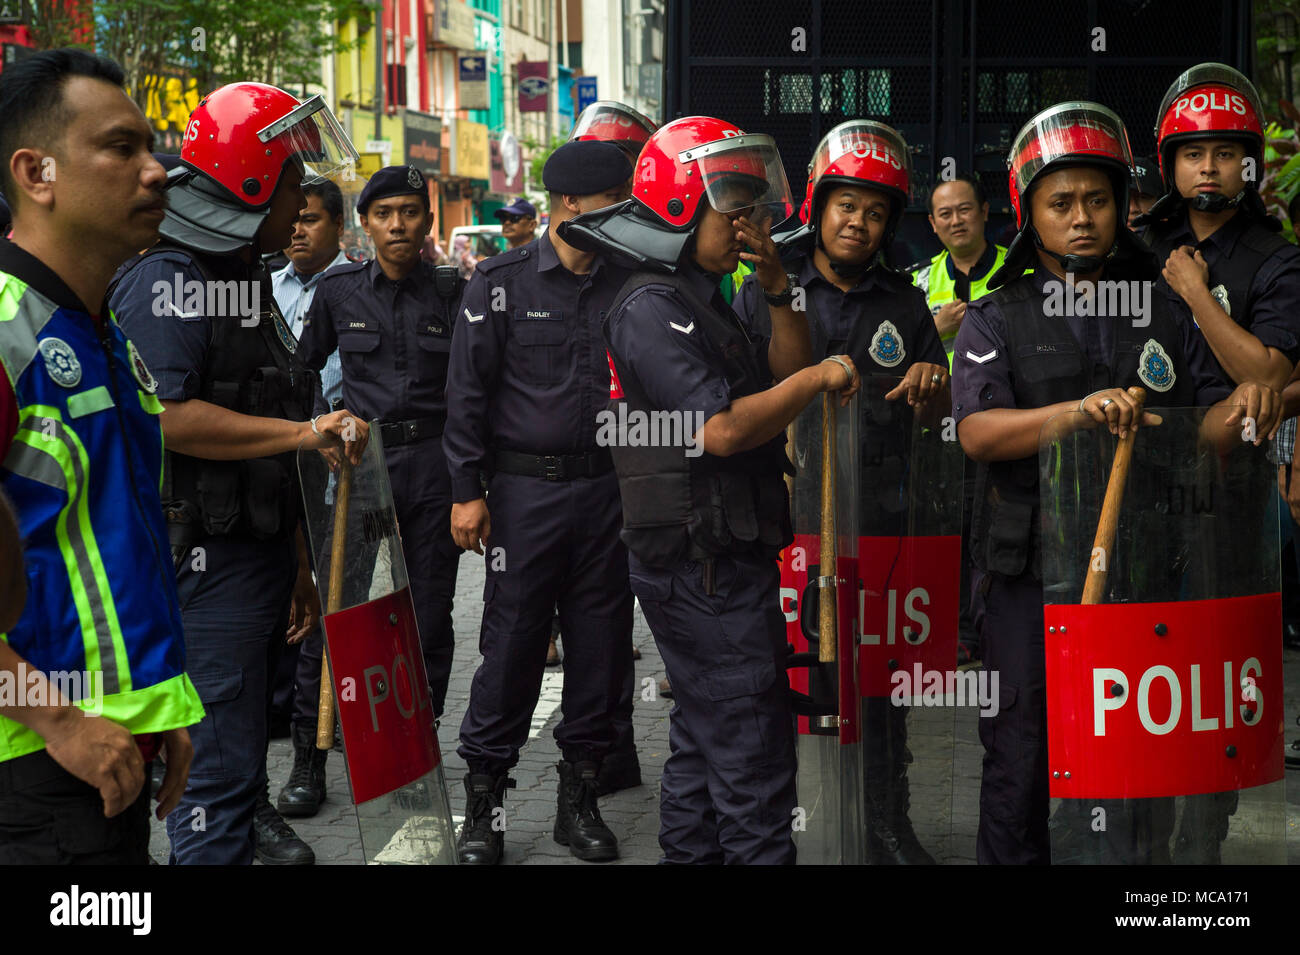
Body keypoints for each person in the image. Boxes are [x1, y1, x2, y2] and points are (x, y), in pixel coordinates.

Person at [952, 100, 1278, 865]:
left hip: (1142, 573)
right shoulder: (995, 317)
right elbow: (976, 432)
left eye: (1097, 199)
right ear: (1028, 211)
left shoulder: (1165, 314)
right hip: (1027, 576)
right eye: (1060, 203)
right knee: (1023, 757)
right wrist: (1074, 412)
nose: (1082, 218)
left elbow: (1203, 425)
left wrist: (1247, 408)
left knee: (1137, 762)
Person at [563, 115, 862, 864]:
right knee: (756, 766)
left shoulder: (704, 292)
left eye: (753, 210)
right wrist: (817, 378)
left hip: (725, 556)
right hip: (701, 566)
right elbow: (721, 429)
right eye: (732, 210)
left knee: (704, 747)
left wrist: (777, 289)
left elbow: (775, 367)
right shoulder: (650, 305)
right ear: (676, 208)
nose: (747, 225)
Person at [108, 81, 368, 866]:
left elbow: (262, 412)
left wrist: (294, 557)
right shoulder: (170, 277)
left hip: (255, 559)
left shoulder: (242, 273)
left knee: (238, 771)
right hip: (203, 568)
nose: (303, 198)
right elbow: (168, 416)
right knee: (212, 796)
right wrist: (303, 430)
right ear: (254, 184)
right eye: (292, 178)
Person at [0, 47, 205, 864]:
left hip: (108, 756)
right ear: (36, 172)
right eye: (122, 149)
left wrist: (163, 712)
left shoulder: (104, 336)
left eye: (151, 148)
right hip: (35, 771)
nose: (157, 172)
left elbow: (112, 544)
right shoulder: (8, 332)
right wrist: (56, 717)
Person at [734, 119, 948, 864]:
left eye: (877, 211)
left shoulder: (906, 302)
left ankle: (887, 817)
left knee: (881, 680)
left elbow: (942, 403)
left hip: (883, 522)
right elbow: (744, 392)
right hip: (790, 519)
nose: (859, 222)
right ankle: (796, 819)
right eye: (846, 206)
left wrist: (933, 385)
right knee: (795, 675)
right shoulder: (769, 283)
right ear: (819, 207)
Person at [444, 140, 637, 865]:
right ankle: (485, 805)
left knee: (600, 651)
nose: (624, 215)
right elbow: (465, 394)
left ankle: (579, 800)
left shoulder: (629, 282)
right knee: (512, 647)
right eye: (612, 203)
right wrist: (467, 492)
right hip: (525, 495)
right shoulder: (500, 282)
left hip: (608, 494)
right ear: (569, 206)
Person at [298, 164, 466, 727]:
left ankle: (419, 731)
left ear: (427, 222)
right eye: (385, 214)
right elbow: (299, 373)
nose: (398, 225)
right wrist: (318, 422)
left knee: (430, 612)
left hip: (434, 470)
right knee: (345, 606)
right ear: (366, 224)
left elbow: (478, 389)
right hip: (361, 469)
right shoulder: (338, 292)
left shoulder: (455, 294)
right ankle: (310, 751)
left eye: (410, 213)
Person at [1140, 63, 1300, 394]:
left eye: (1225, 154)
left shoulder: (1280, 263)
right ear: (1170, 165)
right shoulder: (1143, 248)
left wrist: (1196, 293)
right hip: (1145, 437)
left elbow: (1269, 379)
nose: (1208, 168)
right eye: (1194, 154)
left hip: (1236, 442)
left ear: (1248, 166)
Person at [270, 177, 350, 818]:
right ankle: (305, 754)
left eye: (312, 220)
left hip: (354, 481)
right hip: (285, 477)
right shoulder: (261, 291)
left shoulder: (358, 290)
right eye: (292, 219)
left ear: (339, 227)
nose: (298, 229)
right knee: (310, 618)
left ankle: (356, 723)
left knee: (357, 615)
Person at [911, 172, 1007, 369]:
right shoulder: (914, 281)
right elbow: (893, 353)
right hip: (939, 395)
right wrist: (936, 328)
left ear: (984, 211)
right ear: (933, 223)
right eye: (945, 214)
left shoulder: (1019, 270)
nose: (956, 221)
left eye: (964, 210)